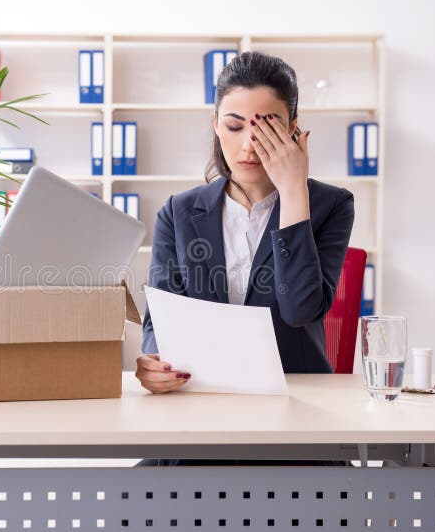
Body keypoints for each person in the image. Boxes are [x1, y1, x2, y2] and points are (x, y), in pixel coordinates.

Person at [135, 51, 355, 466]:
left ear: (293, 131)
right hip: (200, 409)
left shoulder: (330, 206)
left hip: (297, 420)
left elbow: (300, 308)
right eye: (234, 126)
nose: (249, 144)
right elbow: (159, 319)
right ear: (216, 125)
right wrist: (154, 362)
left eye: (268, 129)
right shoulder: (178, 213)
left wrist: (293, 195)